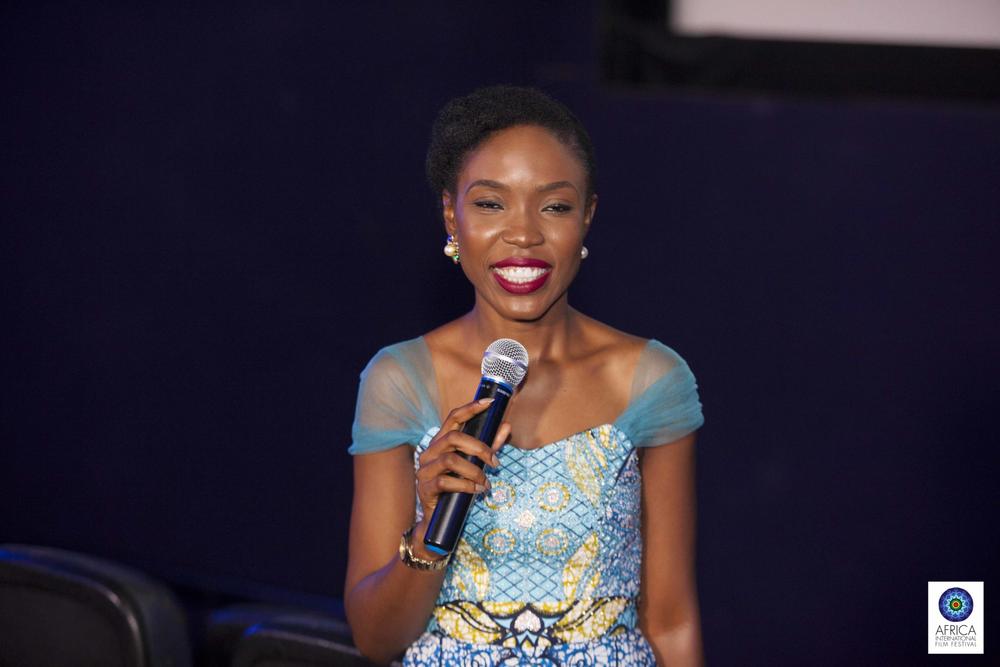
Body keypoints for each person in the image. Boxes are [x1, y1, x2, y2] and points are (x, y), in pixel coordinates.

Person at [345, 86, 704, 666]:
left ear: (587, 216)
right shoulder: (398, 379)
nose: (524, 234)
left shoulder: (650, 379)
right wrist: (429, 532)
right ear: (450, 214)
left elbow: (673, 620)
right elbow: (375, 639)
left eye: (555, 206)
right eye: (490, 203)